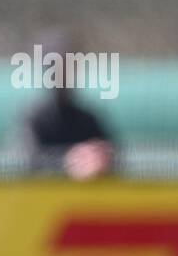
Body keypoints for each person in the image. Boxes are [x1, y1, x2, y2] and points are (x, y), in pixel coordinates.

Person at [20, 32, 115, 180]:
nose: (63, 74)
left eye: (68, 67)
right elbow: (26, 159)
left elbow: (112, 155)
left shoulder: (88, 120)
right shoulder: (34, 119)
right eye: (56, 68)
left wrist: (99, 159)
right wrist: (68, 162)